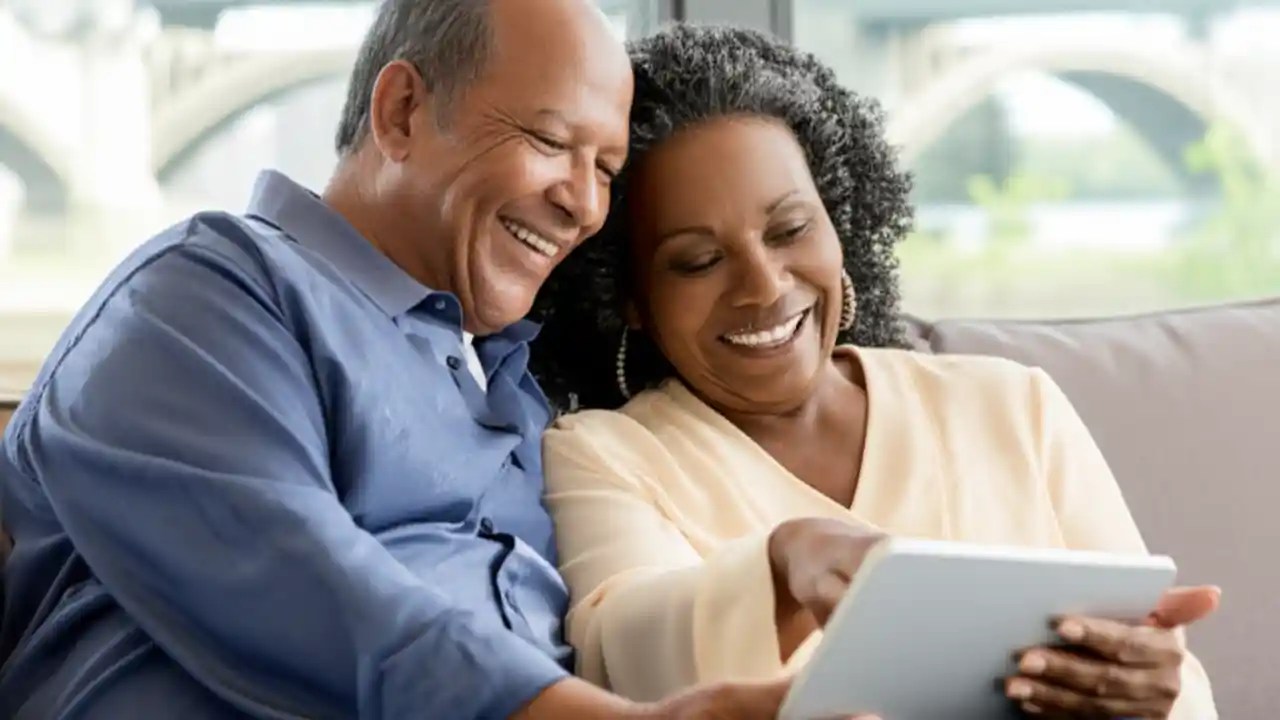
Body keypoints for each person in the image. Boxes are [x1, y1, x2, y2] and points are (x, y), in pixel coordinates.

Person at [0, 3, 865, 719]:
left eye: (604, 168)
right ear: (403, 112)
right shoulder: (204, 295)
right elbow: (300, 586)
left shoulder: (523, 389)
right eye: (549, 140)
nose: (583, 203)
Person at [530, 24, 1220, 719]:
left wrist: (1150, 690)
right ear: (628, 298)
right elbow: (617, 654)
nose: (764, 286)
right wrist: (781, 564)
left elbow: (1176, 679)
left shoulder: (1014, 405)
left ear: (839, 223)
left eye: (790, 229)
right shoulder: (605, 454)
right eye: (699, 261)